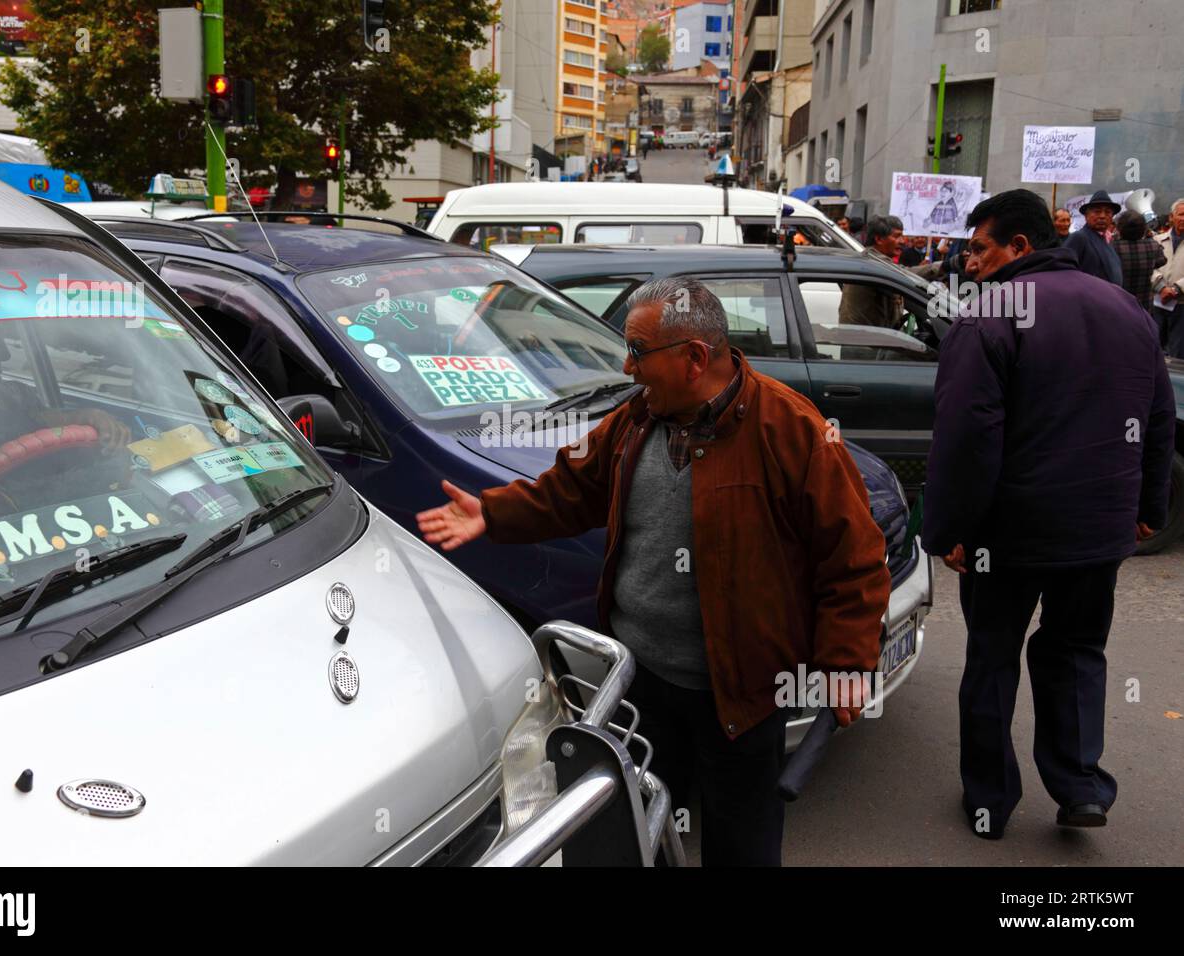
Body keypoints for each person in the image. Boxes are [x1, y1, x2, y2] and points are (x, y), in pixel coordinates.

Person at [416, 277, 890, 866]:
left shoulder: (791, 429)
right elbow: (571, 490)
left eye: (639, 351)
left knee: (743, 846)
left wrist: (847, 662)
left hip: (741, 698)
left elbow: (855, 557)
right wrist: (490, 511)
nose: (627, 365)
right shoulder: (637, 418)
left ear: (694, 358)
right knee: (645, 832)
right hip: (642, 685)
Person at [922, 189, 1174, 840]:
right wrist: (1148, 508)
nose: (970, 262)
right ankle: (1080, 785)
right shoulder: (1125, 309)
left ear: (1019, 248)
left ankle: (989, 800)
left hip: (1012, 533)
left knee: (993, 658)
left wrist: (951, 531)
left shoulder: (990, 315)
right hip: (1099, 528)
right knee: (1076, 652)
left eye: (980, 248)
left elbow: (966, 436)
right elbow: (1158, 421)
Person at [839, 215, 905, 328]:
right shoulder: (873, 263)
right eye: (897, 236)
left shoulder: (872, 259)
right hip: (863, 341)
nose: (902, 241)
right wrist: (941, 266)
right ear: (879, 239)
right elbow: (906, 276)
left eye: (902, 236)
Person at [1111, 209, 1167, 319]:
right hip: (1144, 306)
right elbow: (1162, 261)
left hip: (1120, 304)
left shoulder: (1113, 247)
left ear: (1120, 229)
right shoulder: (1152, 245)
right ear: (1143, 229)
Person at [1064, 190, 1124, 284]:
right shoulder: (1079, 238)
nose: (1102, 216)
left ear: (1112, 217)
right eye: (1097, 211)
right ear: (1086, 216)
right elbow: (1064, 274)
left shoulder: (1107, 241)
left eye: (1107, 212)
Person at [1150, 198, 1184, 358]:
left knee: (1178, 351)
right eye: (1181, 214)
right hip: (1157, 302)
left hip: (1181, 304)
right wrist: (1161, 287)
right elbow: (1150, 266)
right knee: (1154, 345)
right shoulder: (1157, 240)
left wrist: (1176, 289)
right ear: (1172, 217)